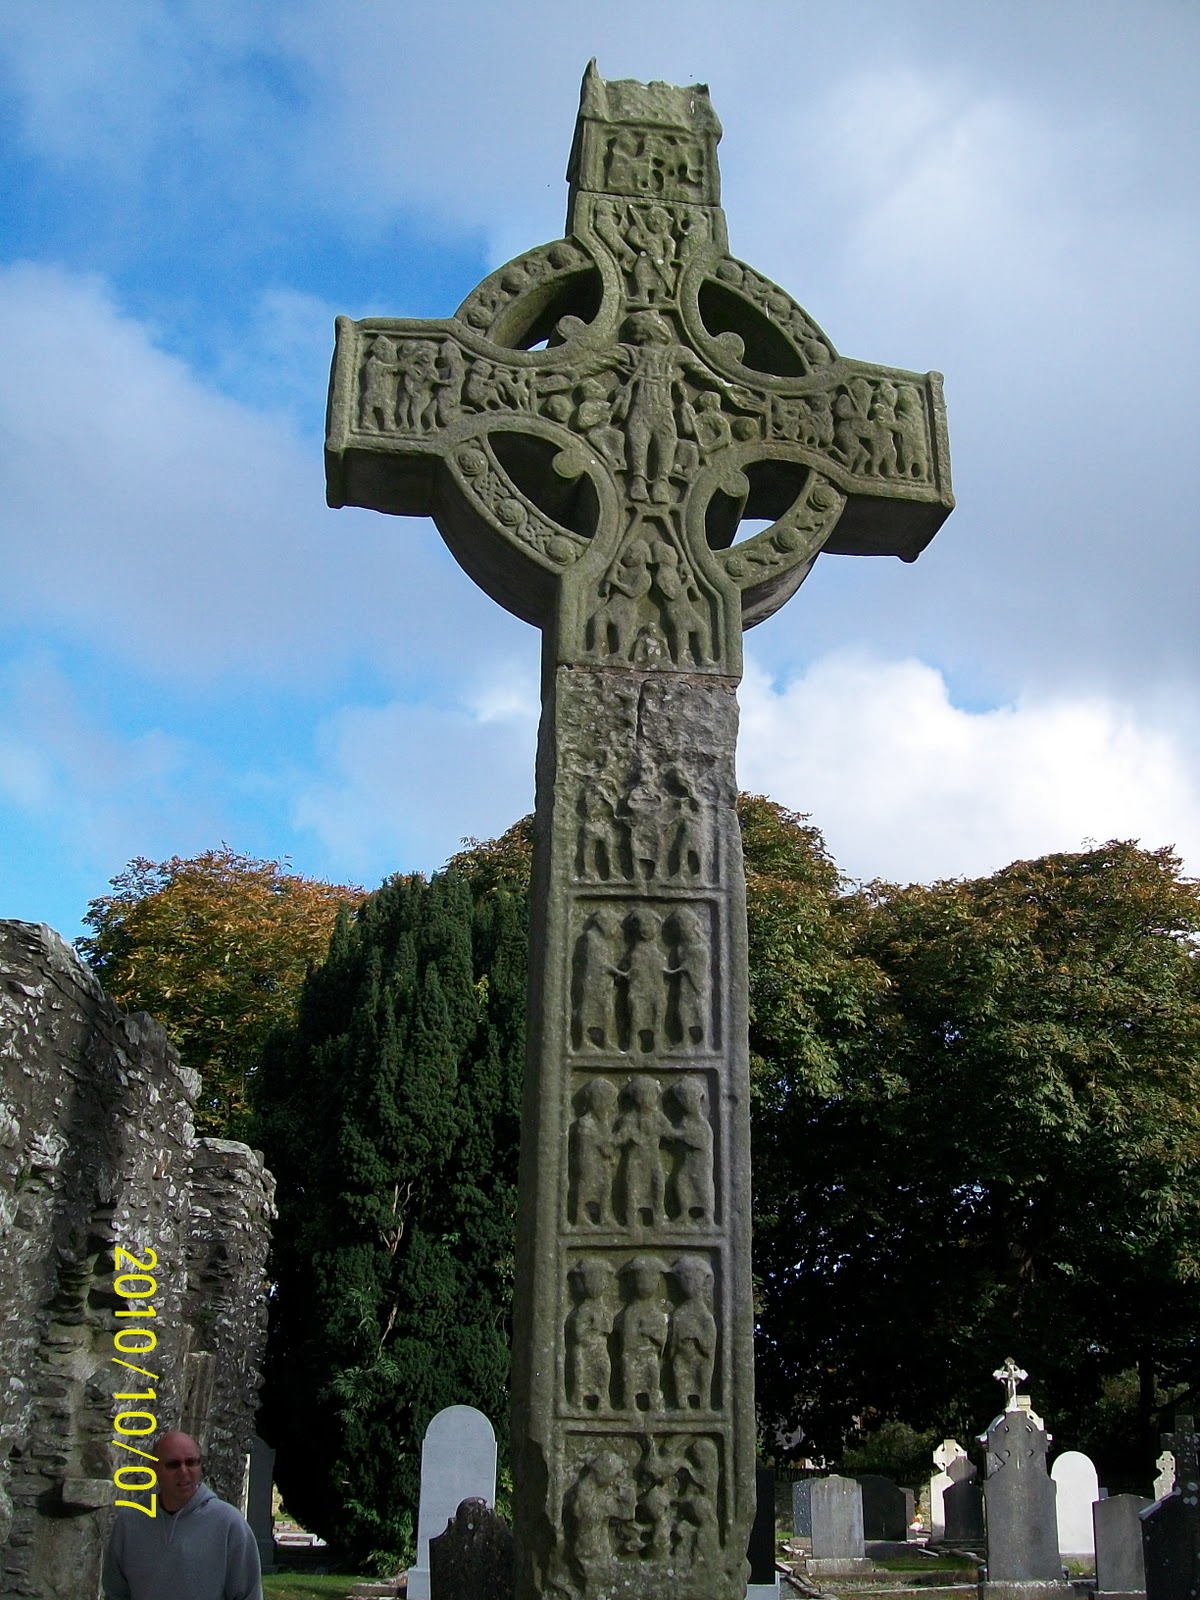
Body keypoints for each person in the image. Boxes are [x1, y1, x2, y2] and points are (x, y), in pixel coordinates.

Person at [102, 1429, 263, 1600]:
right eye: (173, 1464)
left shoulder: (230, 1524)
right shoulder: (129, 1523)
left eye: (191, 1462)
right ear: (153, 1468)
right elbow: (115, 1593)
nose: (184, 1472)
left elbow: (249, 1595)